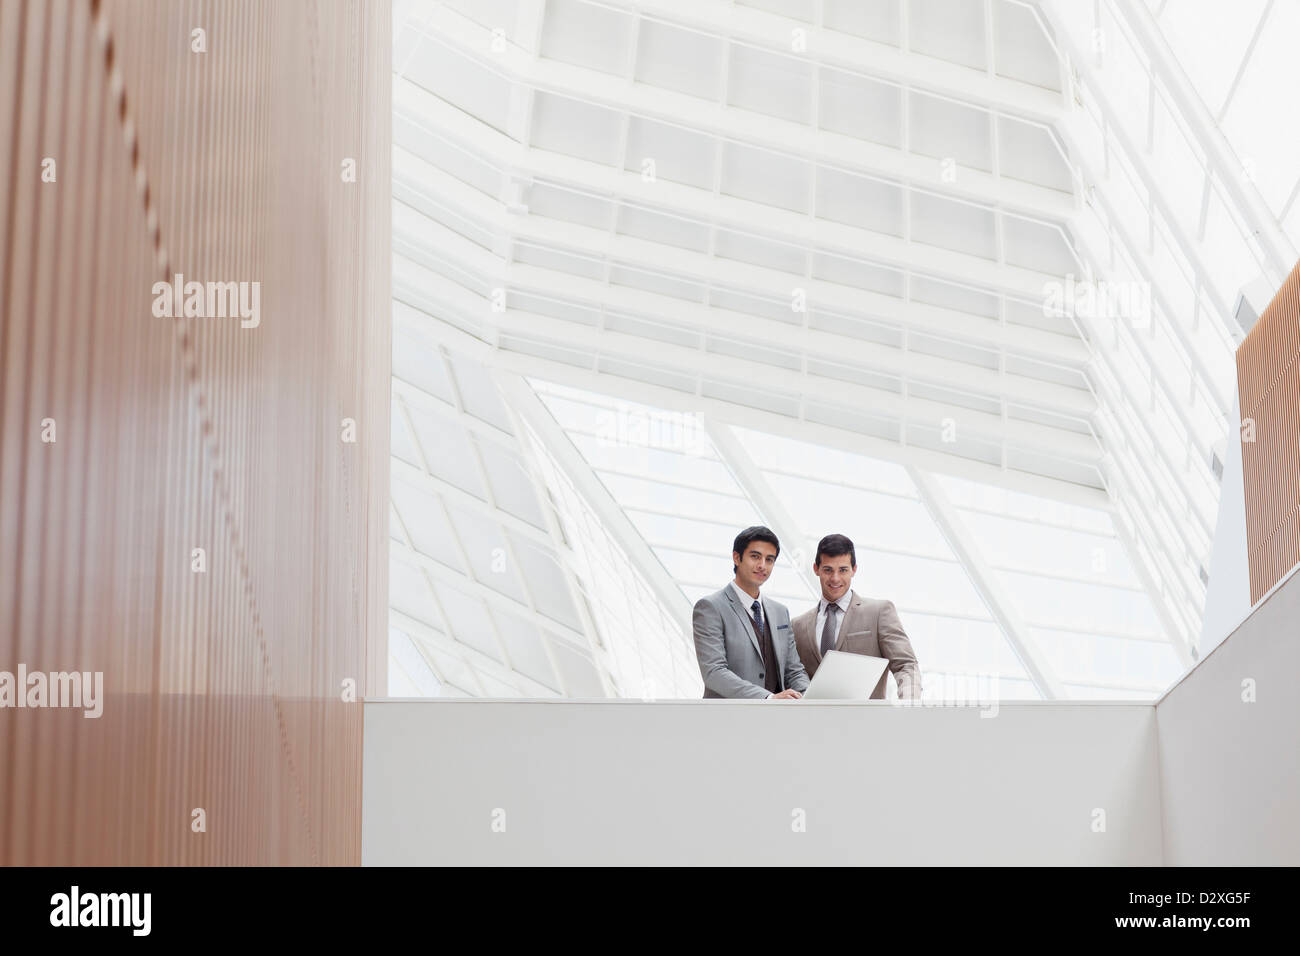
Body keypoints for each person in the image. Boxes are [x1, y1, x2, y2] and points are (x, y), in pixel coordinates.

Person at [792, 533, 921, 700]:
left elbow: (906, 664)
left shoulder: (879, 612)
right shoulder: (798, 625)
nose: (835, 578)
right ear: (816, 569)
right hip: (814, 722)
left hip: (867, 722)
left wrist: (909, 705)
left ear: (854, 569)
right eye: (828, 570)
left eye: (843, 570)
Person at [692, 526, 810, 700]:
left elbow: (793, 670)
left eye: (769, 560)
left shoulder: (780, 612)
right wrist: (768, 699)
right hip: (729, 719)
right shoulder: (710, 607)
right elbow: (714, 672)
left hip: (777, 721)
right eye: (755, 556)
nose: (762, 565)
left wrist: (810, 696)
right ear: (737, 558)